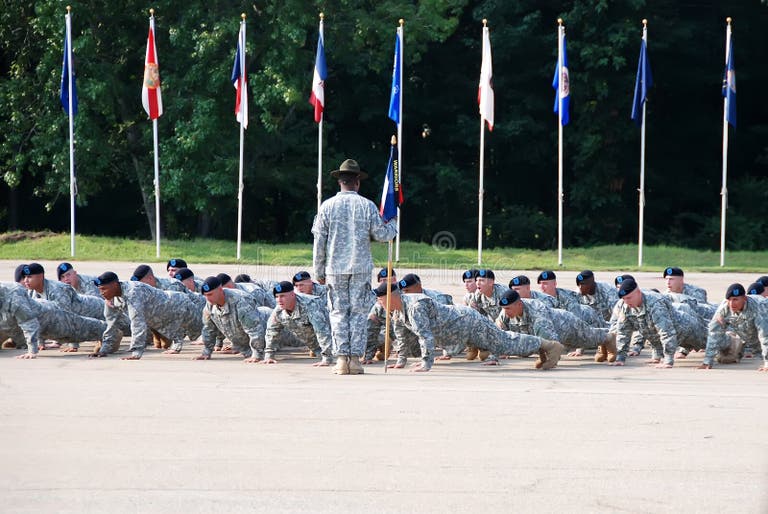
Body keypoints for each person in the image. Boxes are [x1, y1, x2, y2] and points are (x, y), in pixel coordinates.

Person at [312, 158, 397, 374]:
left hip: (335, 268)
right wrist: (394, 222)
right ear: (357, 181)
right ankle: (355, 361)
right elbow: (381, 234)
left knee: (338, 312)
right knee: (358, 313)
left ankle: (341, 360)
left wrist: (318, 271)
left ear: (339, 182)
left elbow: (319, 241)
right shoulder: (366, 205)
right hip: (360, 268)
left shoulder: (327, 206)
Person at [375, 284, 564, 371]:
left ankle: (548, 345)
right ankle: (542, 347)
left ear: (392, 297)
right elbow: (401, 334)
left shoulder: (415, 306)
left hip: (468, 322)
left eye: (381, 300)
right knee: (502, 343)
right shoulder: (397, 310)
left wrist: (427, 363)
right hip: (455, 332)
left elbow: (425, 335)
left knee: (504, 343)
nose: (380, 304)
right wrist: (401, 360)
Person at [89, 272, 191, 360]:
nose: (101, 293)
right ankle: (177, 344)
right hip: (162, 316)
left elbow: (137, 322)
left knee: (199, 329)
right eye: (100, 289)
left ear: (115, 285)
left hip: (180, 303)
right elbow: (111, 324)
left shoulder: (133, 292)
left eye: (104, 289)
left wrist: (136, 352)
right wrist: (104, 350)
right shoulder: (112, 299)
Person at [495, 289, 616, 362]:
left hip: (567, 325)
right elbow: (497, 334)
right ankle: (605, 339)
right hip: (558, 333)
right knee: (583, 341)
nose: (506, 312)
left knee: (589, 338)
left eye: (508, 308)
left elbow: (551, 342)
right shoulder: (505, 312)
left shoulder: (536, 309)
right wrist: (494, 357)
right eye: (504, 309)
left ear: (519, 305)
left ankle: (609, 337)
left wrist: (550, 358)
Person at [612, 279, 706, 368]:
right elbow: (623, 332)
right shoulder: (626, 307)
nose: (627, 301)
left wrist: (668, 360)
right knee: (647, 327)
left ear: (638, 293)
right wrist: (621, 358)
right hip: (676, 335)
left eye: (629, 298)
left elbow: (666, 331)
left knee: (713, 343)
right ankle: (657, 356)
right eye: (624, 298)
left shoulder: (655, 304)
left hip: (688, 329)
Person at [0, 283, 106, 358]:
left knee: (79, 330)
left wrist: (32, 351)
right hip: (22, 321)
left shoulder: (13, 299)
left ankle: (110, 331)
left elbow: (30, 323)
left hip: (51, 318)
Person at [22, 262, 105, 351]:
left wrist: (73, 345)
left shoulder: (57, 289)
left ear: (40, 276)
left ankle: (106, 336)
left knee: (108, 329)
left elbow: (69, 319)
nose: (25, 280)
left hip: (97, 310)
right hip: (81, 315)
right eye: (25, 277)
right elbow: (39, 317)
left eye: (29, 277)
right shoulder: (31, 292)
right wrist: (41, 343)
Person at [193, 276, 271, 362]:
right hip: (251, 341)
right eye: (206, 295)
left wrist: (257, 354)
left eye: (210, 294)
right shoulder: (210, 305)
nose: (208, 298)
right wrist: (206, 352)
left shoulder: (239, 301)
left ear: (220, 290)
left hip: (269, 325)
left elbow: (254, 328)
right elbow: (208, 329)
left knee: (287, 340)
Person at [262, 281, 335, 368]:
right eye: (277, 297)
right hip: (316, 347)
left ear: (293, 295)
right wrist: (269, 356)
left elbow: (322, 331)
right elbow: (272, 331)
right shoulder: (279, 310)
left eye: (282, 296)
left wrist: (327, 358)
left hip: (335, 346)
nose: (279, 300)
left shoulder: (310, 304)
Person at [698, 284, 768, 371]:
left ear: (744, 298)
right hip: (749, 337)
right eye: (729, 300)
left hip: (764, 329)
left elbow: (765, 336)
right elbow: (714, 334)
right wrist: (707, 361)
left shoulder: (759, 307)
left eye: (735, 299)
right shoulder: (724, 309)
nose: (731, 304)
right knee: (726, 358)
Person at [467, 269, 508, 360]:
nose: (478, 283)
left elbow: (509, 315)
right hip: (493, 324)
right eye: (477, 280)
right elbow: (470, 313)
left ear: (491, 282)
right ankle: (475, 347)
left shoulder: (503, 293)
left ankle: (503, 348)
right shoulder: (478, 294)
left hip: (510, 326)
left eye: (482, 281)